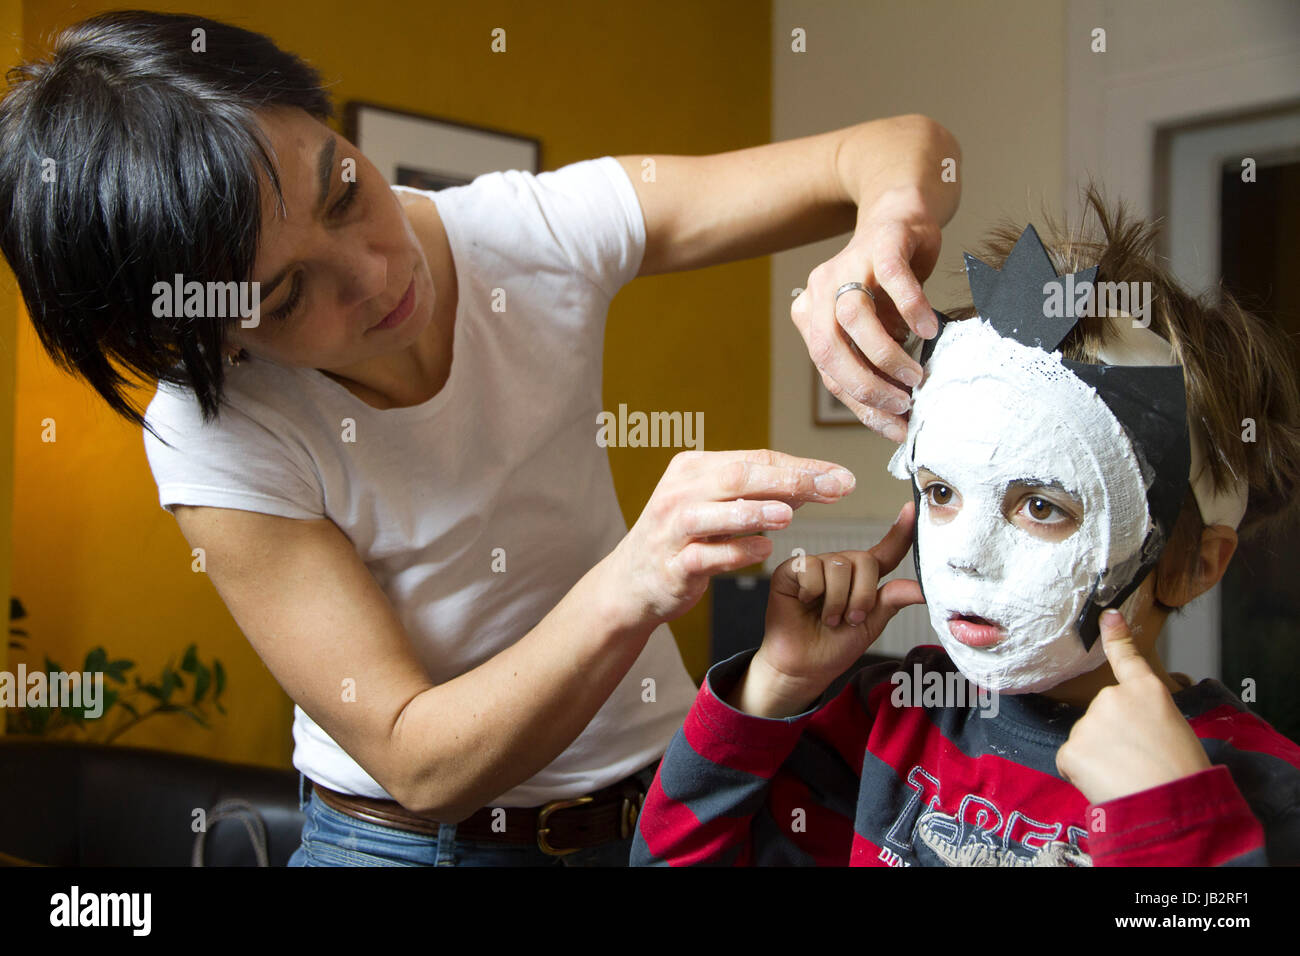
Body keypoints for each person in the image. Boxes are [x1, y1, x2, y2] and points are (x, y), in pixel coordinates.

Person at [0, 10, 960, 865]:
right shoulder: (214, 431)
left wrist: (878, 234)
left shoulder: (526, 230)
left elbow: (893, 147)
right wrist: (637, 577)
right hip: (414, 847)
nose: (375, 275)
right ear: (201, 333)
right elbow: (420, 761)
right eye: (285, 295)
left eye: (343, 189)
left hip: (662, 805)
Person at [631, 189, 1300, 866]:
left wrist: (1173, 828)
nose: (968, 559)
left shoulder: (1262, 786)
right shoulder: (885, 725)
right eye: (942, 491)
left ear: (1194, 565)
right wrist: (774, 686)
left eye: (1043, 505)